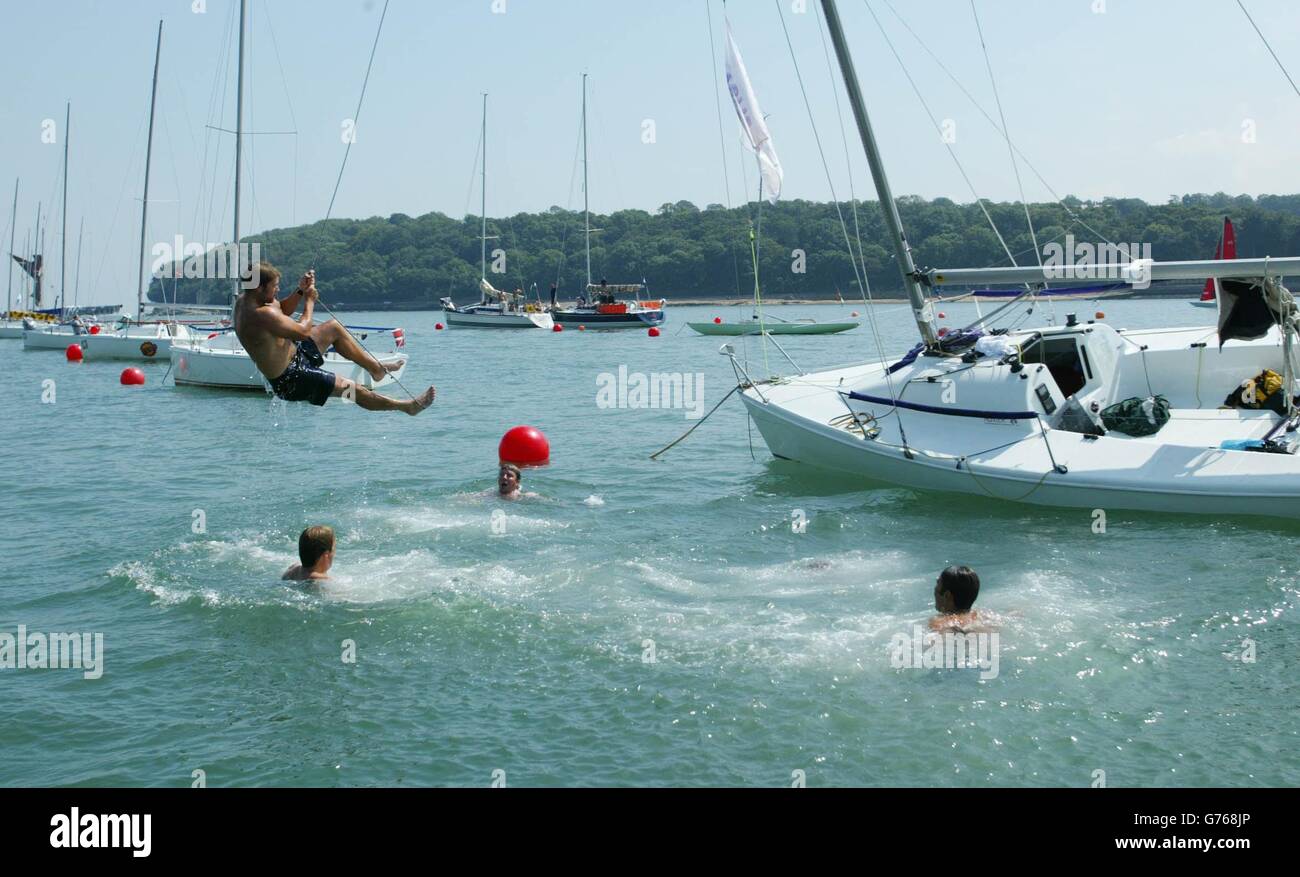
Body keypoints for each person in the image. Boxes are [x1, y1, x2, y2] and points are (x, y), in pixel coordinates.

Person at [233, 262, 435, 414]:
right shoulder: (259, 314)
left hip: (295, 355)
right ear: (260, 287)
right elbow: (303, 331)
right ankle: (407, 407)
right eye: (275, 286)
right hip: (292, 379)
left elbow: (282, 309)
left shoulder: (250, 298)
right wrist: (309, 301)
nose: (277, 289)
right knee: (354, 390)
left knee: (334, 328)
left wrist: (301, 290)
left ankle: (375, 369)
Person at [929, 565, 981, 631]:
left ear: (947, 595)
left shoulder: (939, 623)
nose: (935, 589)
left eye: (938, 583)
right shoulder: (982, 617)